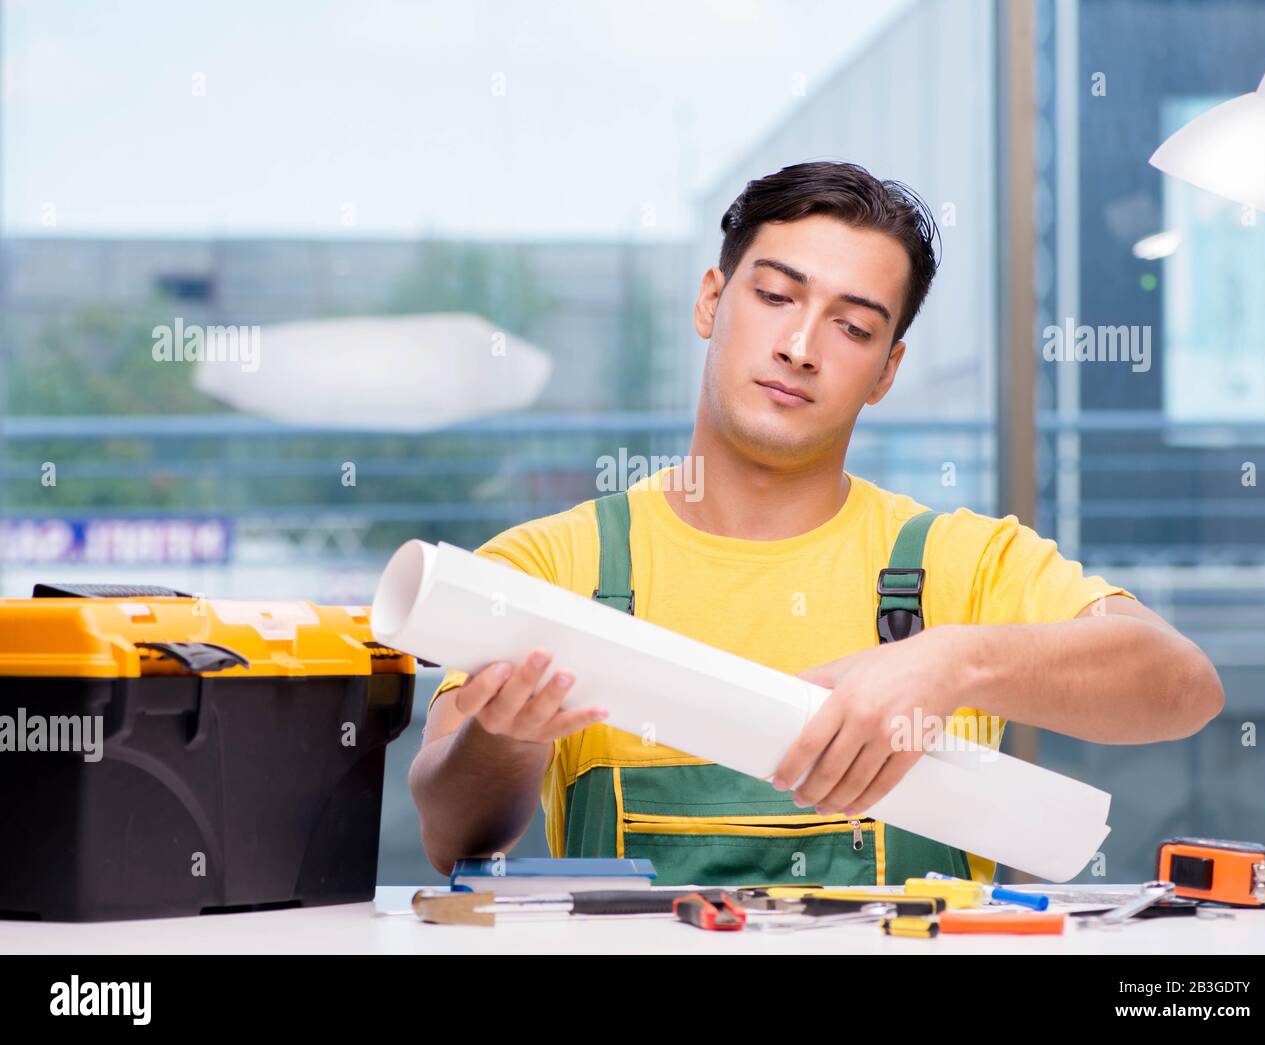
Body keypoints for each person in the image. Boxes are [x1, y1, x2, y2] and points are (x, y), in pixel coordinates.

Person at [408, 160, 1223, 886]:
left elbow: (1182, 686)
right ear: (711, 300)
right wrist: (504, 738)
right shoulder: (553, 565)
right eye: (774, 296)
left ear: (886, 372)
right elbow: (449, 838)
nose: (801, 346)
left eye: (854, 326)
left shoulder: (957, 562)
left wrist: (957, 662)